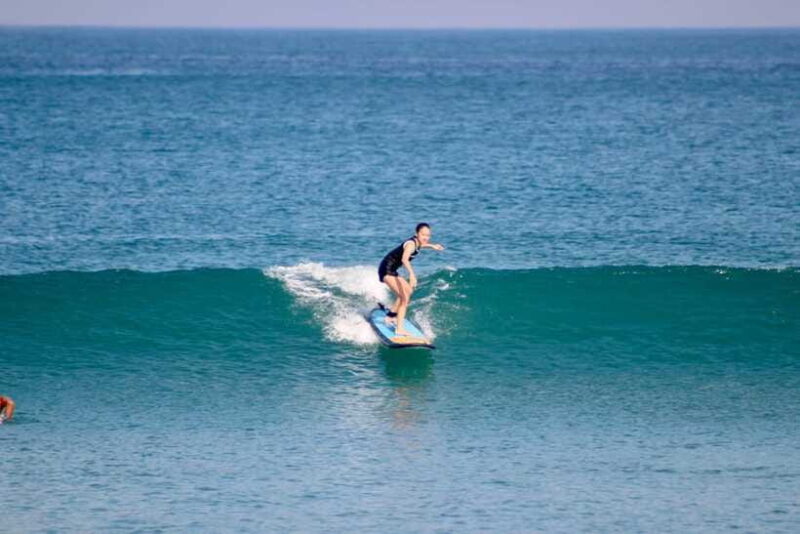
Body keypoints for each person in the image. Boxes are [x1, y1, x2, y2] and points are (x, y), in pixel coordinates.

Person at [378, 223, 445, 336]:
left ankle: (390, 316)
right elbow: (404, 259)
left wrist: (432, 246)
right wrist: (412, 275)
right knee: (404, 297)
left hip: (393, 270)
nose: (425, 237)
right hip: (386, 269)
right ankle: (399, 329)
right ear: (416, 234)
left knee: (408, 291)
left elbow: (420, 245)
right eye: (423, 234)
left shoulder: (418, 243)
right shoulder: (410, 244)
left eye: (428, 235)